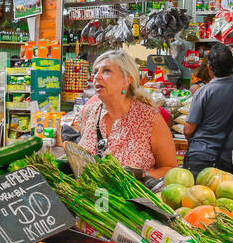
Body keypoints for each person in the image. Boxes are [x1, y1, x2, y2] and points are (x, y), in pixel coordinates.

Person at [76, 49, 178, 177]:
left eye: (106, 71)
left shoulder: (148, 118)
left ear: (126, 80)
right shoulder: (90, 112)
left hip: (130, 195)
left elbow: (170, 168)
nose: (97, 77)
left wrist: (140, 178)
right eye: (95, 71)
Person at [182, 44, 233, 175]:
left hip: (200, 158)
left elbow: (188, 131)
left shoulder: (204, 92)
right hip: (229, 162)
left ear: (209, 68)